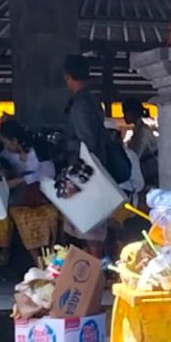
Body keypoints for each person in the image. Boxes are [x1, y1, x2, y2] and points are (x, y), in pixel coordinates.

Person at [60, 54, 125, 257]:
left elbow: (87, 142)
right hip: (91, 167)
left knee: (89, 227)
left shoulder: (81, 105)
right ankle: (93, 271)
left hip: (86, 170)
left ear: (68, 77)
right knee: (85, 226)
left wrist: (76, 173)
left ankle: (94, 274)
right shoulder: (91, 100)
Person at [0, 117, 59, 262]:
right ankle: (38, 260)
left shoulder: (38, 150)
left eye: (7, 142)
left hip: (43, 196)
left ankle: (50, 258)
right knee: (24, 220)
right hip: (19, 200)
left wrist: (23, 179)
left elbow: (49, 173)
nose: (5, 146)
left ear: (15, 140)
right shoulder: (4, 156)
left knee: (50, 216)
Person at [122, 99, 158, 189]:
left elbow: (136, 155)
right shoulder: (137, 131)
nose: (123, 116)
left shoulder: (143, 132)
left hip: (150, 172)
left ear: (132, 113)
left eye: (125, 113)